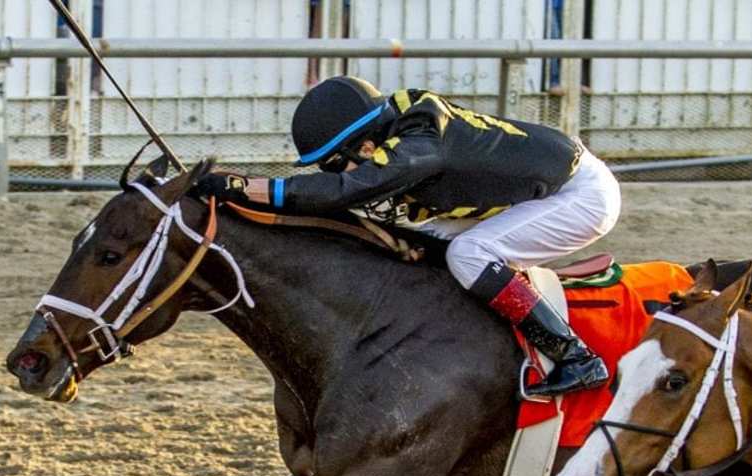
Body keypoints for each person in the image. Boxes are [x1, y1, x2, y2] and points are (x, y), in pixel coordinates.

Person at [196, 76, 620, 398]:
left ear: (364, 147)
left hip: (580, 195)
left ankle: (574, 356)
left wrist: (244, 186)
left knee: (469, 254)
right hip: (534, 191)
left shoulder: (420, 137)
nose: (333, 173)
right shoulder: (397, 133)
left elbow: (351, 189)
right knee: (427, 235)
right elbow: (343, 199)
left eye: (332, 164)